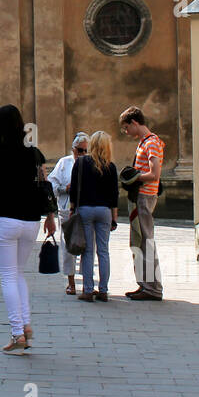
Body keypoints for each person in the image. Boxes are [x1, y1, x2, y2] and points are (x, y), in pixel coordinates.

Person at [0, 104, 53, 353]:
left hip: (5, 219)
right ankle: (26, 327)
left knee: (8, 276)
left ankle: (18, 332)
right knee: (18, 274)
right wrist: (51, 216)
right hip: (31, 221)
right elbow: (45, 185)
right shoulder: (34, 153)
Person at [119, 106, 164, 301]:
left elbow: (155, 174)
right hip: (139, 197)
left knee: (146, 241)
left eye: (126, 127)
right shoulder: (144, 142)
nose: (125, 132)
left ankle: (153, 288)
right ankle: (144, 284)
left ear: (135, 122)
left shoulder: (151, 143)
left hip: (145, 197)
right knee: (137, 241)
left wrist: (135, 178)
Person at [69, 131, 119, 302]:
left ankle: (88, 290)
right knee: (103, 251)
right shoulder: (110, 166)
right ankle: (103, 290)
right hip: (104, 210)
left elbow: (74, 188)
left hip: (85, 209)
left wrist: (72, 208)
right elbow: (114, 195)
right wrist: (114, 217)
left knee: (88, 250)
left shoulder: (81, 162)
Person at [48, 133, 89, 295]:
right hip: (67, 209)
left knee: (88, 246)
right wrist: (64, 188)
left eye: (86, 151)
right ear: (73, 150)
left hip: (86, 208)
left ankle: (87, 282)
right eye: (80, 150)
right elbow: (52, 183)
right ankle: (71, 281)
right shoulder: (64, 163)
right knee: (68, 246)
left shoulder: (91, 163)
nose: (83, 154)